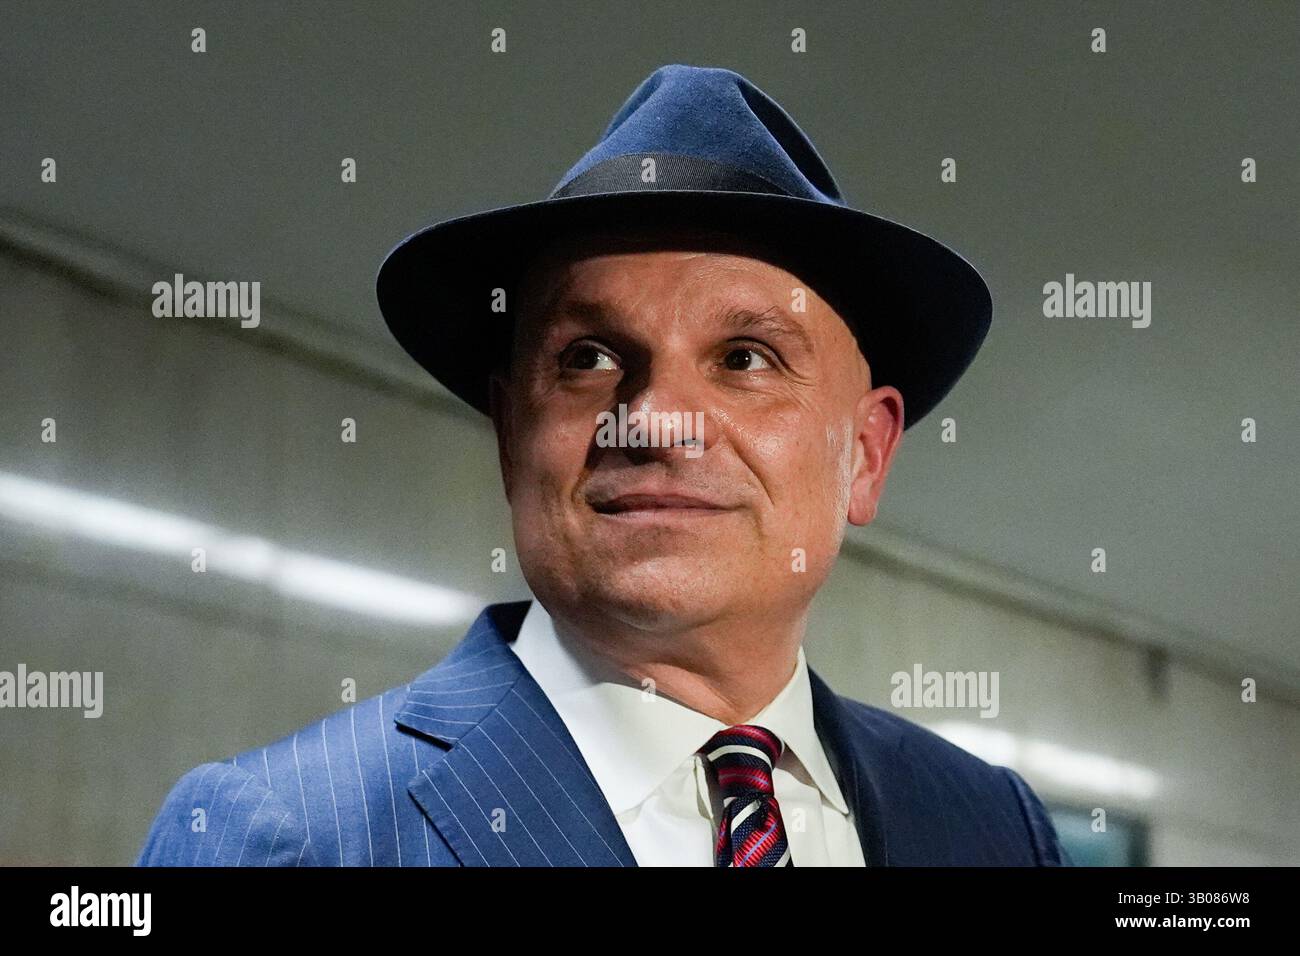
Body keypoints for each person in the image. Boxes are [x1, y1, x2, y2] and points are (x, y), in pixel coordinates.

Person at [136, 63, 1069, 867]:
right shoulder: (287, 836)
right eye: (588, 358)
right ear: (511, 436)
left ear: (864, 455)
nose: (655, 419)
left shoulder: (990, 826)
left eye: (747, 357)